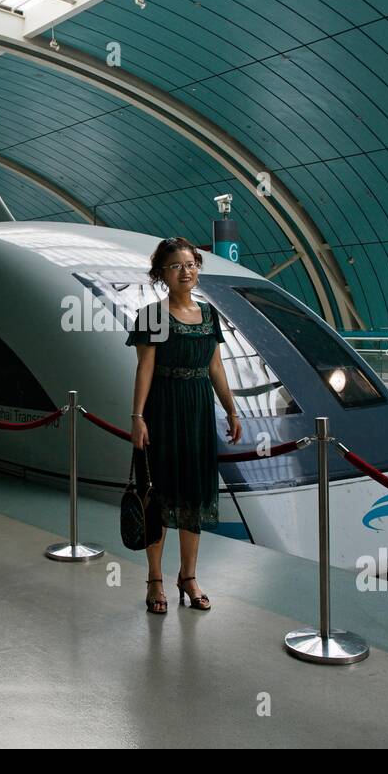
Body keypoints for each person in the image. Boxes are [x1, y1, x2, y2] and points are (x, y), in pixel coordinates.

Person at [125, 237, 242, 615]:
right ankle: (155, 579)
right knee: (156, 495)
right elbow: (144, 368)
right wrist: (138, 417)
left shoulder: (208, 314)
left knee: (194, 495)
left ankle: (188, 576)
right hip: (162, 409)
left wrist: (232, 410)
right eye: (176, 266)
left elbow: (215, 366)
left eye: (191, 264)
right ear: (161, 273)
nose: (186, 271)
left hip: (197, 410)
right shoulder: (152, 315)